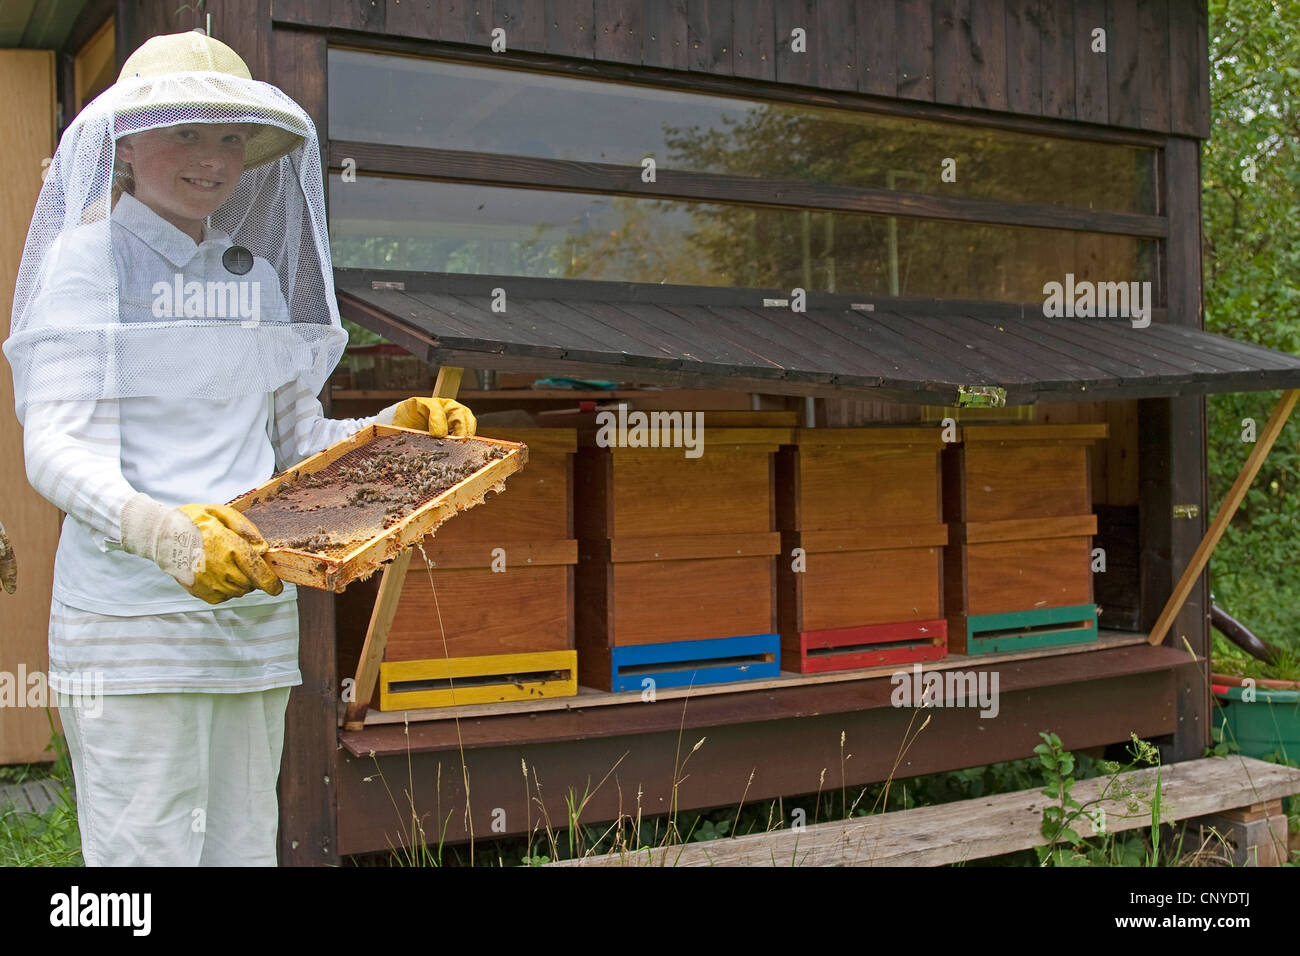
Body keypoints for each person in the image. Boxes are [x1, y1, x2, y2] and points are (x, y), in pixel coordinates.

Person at [3, 30, 474, 866]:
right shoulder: (88, 264)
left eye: (229, 137)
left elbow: (296, 446)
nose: (211, 157)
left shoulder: (250, 277)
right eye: (186, 131)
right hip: (133, 628)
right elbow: (55, 449)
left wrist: (393, 433)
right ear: (130, 142)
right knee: (143, 859)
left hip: (251, 622)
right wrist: (170, 535)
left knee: (240, 848)